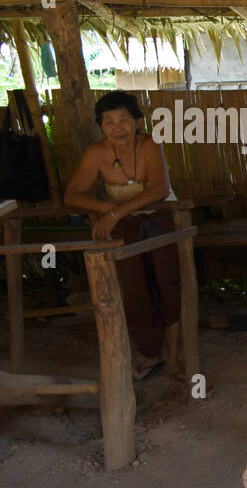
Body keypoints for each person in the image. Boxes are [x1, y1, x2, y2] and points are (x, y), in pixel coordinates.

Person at [64, 91, 183, 381]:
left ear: (138, 122)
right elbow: (72, 195)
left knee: (167, 284)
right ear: (101, 126)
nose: (117, 127)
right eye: (109, 122)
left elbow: (159, 190)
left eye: (124, 120)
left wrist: (115, 214)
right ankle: (151, 354)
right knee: (135, 290)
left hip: (159, 219)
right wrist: (107, 207)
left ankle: (176, 357)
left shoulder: (151, 145)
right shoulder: (96, 153)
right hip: (127, 226)